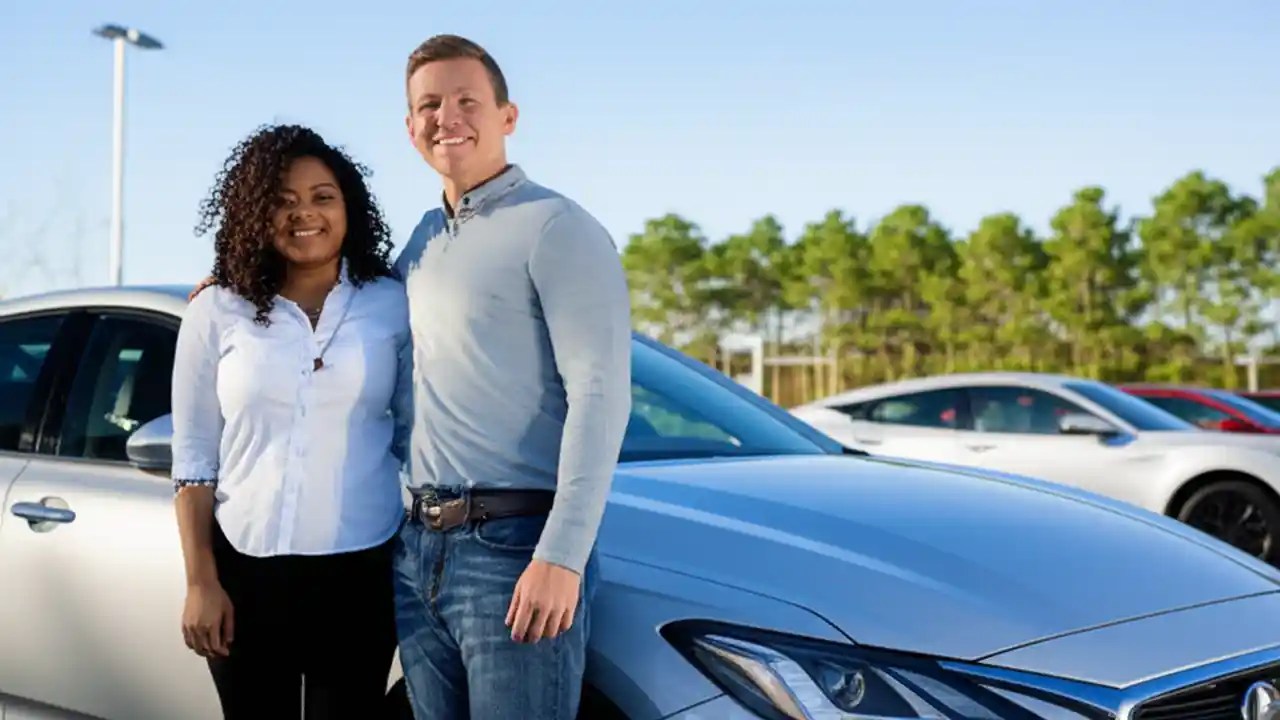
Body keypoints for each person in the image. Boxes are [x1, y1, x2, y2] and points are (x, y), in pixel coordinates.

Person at [392, 34, 632, 720]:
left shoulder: (556, 227)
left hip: (515, 551)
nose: (447, 117)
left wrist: (562, 555)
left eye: (467, 100)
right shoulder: (421, 241)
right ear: (411, 128)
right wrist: (235, 285)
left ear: (508, 115)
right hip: (416, 552)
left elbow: (600, 394)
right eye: (429, 105)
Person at [171, 123, 412, 719]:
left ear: (348, 207)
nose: (304, 213)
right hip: (244, 572)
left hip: (361, 571)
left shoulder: (394, 302)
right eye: (282, 200)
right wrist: (202, 583)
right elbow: (195, 454)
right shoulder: (215, 309)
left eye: (322, 196)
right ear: (256, 213)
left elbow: (419, 426)